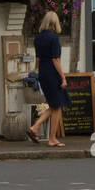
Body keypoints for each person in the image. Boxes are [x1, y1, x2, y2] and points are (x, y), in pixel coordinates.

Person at [28, 12, 67, 147]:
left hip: (43, 74)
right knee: (57, 106)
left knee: (54, 104)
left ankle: (35, 127)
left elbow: (38, 58)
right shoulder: (53, 38)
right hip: (52, 73)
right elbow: (55, 59)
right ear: (55, 23)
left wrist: (37, 71)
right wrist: (63, 77)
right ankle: (52, 139)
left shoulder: (38, 38)